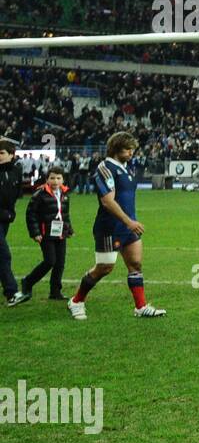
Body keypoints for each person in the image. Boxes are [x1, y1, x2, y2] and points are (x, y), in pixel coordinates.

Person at [68, 132, 165, 320]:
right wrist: (129, 221)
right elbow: (107, 201)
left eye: (132, 150)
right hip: (109, 227)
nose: (131, 153)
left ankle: (140, 307)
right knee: (104, 267)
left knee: (135, 264)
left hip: (128, 226)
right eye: (128, 149)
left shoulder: (125, 167)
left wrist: (130, 222)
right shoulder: (105, 168)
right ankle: (77, 301)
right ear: (116, 149)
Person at [12, 165, 72, 303]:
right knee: (50, 261)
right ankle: (28, 281)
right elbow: (30, 214)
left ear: (63, 179)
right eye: (52, 178)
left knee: (60, 263)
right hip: (45, 233)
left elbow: (65, 213)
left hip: (60, 232)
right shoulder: (39, 194)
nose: (55, 181)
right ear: (47, 179)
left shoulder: (65, 193)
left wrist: (69, 228)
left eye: (58, 178)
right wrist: (35, 232)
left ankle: (55, 291)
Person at [0, 137, 22, 305]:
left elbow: (16, 194)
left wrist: (11, 213)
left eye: (1, 153)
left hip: (6, 219)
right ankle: (11, 292)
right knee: (3, 255)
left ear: (12, 155)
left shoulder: (16, 171)